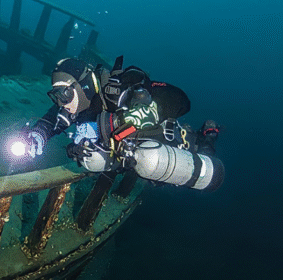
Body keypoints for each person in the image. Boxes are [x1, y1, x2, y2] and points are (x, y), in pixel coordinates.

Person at [17, 56, 223, 191]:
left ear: (83, 86)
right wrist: (39, 134)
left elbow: (181, 101)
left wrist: (139, 111)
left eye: (65, 93)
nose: (62, 103)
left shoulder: (121, 90)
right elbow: (54, 117)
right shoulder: (76, 105)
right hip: (128, 159)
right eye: (56, 95)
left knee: (202, 153)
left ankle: (207, 136)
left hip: (167, 143)